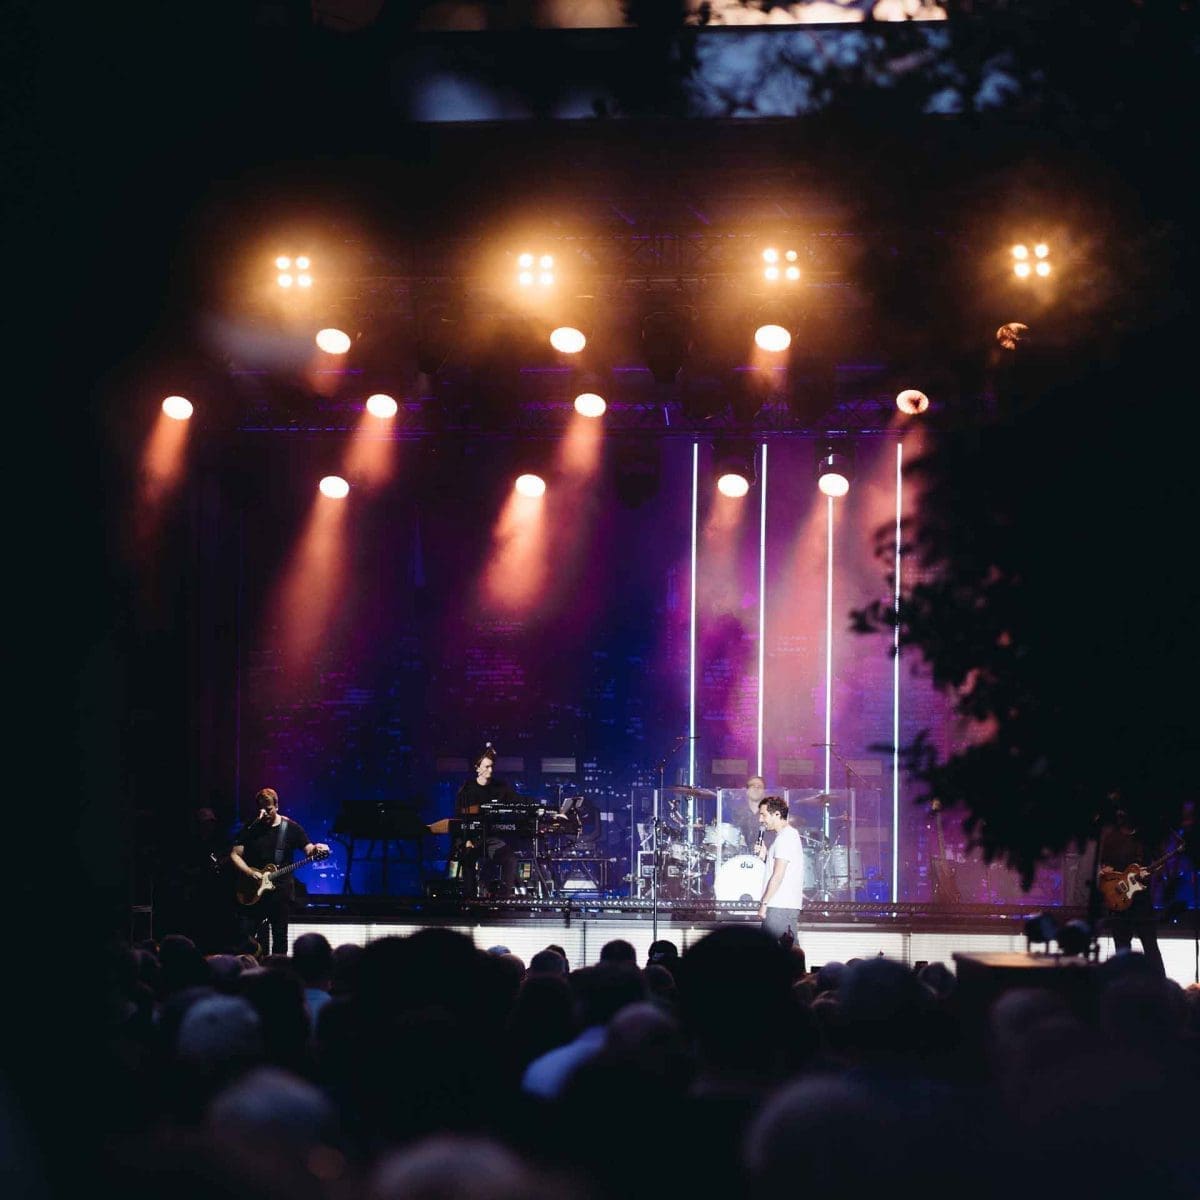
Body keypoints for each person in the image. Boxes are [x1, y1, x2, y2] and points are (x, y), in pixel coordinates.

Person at [229, 787, 329, 956]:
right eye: (261, 809)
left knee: (279, 937)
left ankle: (277, 971)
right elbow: (234, 854)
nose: (265, 814)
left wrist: (317, 849)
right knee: (244, 935)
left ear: (276, 806)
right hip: (253, 891)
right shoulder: (251, 828)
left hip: (280, 893)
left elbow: (308, 848)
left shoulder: (291, 828)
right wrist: (248, 872)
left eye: (268, 809)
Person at [1097, 806, 1165, 975]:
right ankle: (1123, 983)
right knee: (1121, 948)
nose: (1121, 814)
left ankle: (1159, 984)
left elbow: (1160, 862)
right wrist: (1106, 872)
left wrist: (1151, 873)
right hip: (1118, 901)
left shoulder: (1146, 838)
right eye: (1119, 811)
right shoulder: (1111, 838)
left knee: (1150, 946)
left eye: (1124, 811)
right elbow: (1104, 865)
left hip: (1141, 901)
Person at [453, 746, 519, 898]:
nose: (490, 770)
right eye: (486, 767)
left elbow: (519, 800)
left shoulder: (500, 788)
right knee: (468, 858)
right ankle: (470, 899)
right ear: (477, 768)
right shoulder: (466, 790)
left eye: (491, 766)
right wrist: (466, 839)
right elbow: (459, 818)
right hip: (470, 837)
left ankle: (504, 898)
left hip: (490, 838)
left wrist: (545, 809)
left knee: (510, 859)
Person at [755, 795, 805, 946]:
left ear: (777, 814)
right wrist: (765, 856)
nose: (760, 820)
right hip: (781, 905)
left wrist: (764, 904)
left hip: (779, 906)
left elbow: (778, 875)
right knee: (787, 954)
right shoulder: (785, 837)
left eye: (763, 815)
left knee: (771, 953)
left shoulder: (786, 838)